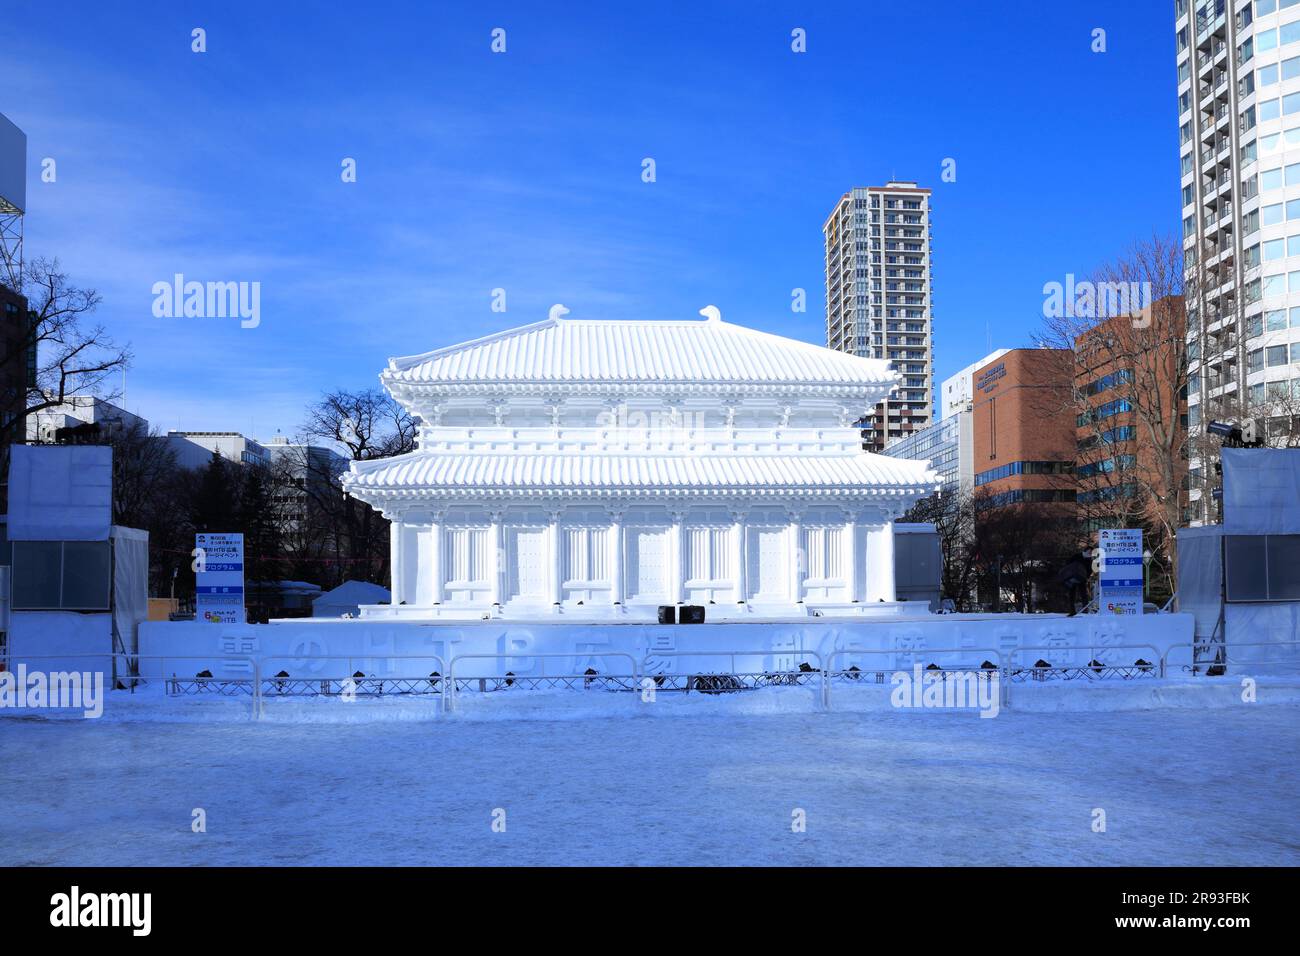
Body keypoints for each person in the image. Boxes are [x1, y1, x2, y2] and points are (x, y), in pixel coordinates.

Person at [1055, 550, 1092, 617]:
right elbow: (1068, 564)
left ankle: (1085, 610)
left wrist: (1086, 577)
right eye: (1089, 553)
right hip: (1072, 577)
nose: (1090, 554)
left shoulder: (1089, 560)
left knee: (1083, 594)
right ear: (1085, 552)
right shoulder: (1076, 556)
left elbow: (1090, 569)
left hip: (1082, 578)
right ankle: (1072, 611)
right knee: (1072, 595)